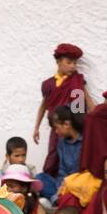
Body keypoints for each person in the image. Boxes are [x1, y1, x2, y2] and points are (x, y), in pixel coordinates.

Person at [34, 43, 92, 179]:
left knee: (73, 159)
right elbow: (44, 105)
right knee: (53, 157)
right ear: (58, 62)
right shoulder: (48, 84)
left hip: (72, 129)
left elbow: (84, 104)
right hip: (56, 128)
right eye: (69, 62)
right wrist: (36, 127)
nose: (73, 66)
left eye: (75, 63)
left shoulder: (76, 81)